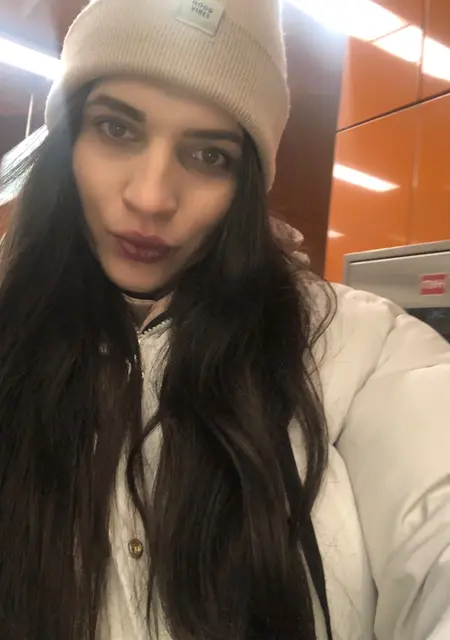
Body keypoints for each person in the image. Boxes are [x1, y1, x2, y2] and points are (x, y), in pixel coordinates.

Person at [1, 0, 450, 638]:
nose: (151, 197)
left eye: (209, 156)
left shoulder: (358, 349)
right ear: (67, 138)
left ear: (246, 184)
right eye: (116, 128)